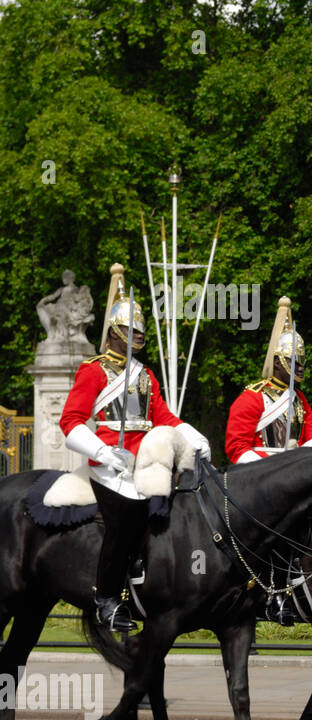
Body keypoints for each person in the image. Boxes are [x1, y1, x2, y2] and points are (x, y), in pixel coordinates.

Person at [60, 263, 211, 630]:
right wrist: (102, 452)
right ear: (113, 332)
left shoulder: (145, 375)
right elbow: (70, 421)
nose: (138, 335)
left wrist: (192, 436)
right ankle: (107, 599)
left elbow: (164, 417)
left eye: (140, 330)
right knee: (125, 519)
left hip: (147, 462)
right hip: (110, 461)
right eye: (130, 329)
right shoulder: (93, 370)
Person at [224, 296, 312, 465]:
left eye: (302, 361)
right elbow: (237, 447)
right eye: (294, 361)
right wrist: (268, 469)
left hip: (296, 470)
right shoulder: (252, 397)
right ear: (277, 363)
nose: (300, 367)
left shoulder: (299, 399)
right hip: (264, 473)